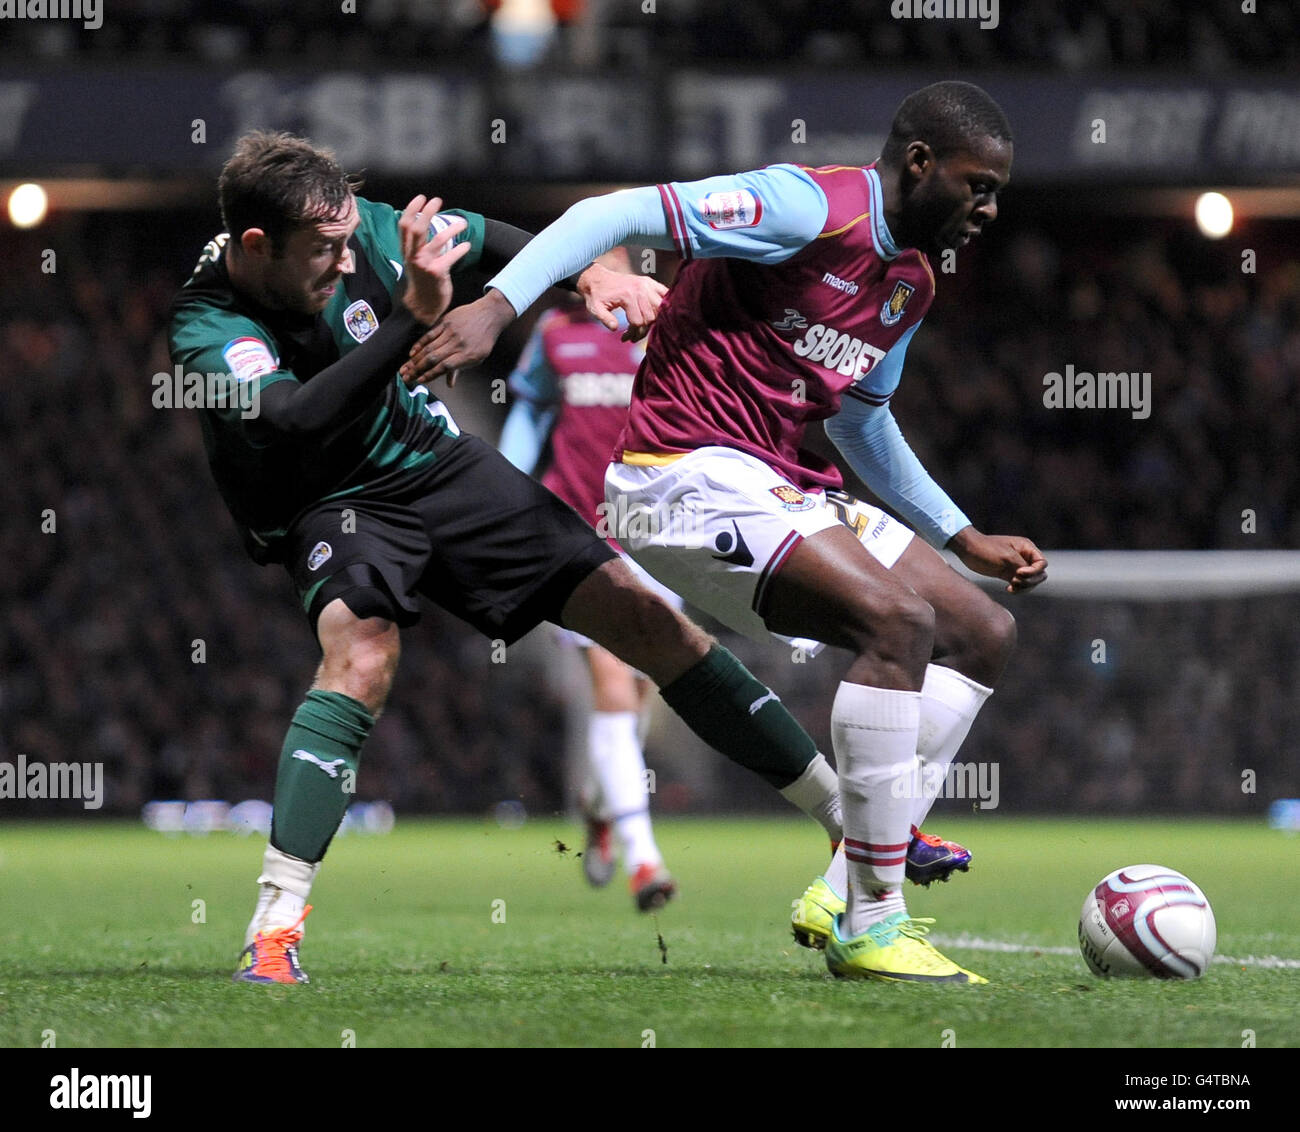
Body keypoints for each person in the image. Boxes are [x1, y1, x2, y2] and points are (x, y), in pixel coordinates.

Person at [400, 81, 1048, 983]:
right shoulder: (807, 205)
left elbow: (863, 421)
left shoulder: (912, 281)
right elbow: (615, 212)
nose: (987, 210)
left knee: (984, 633)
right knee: (897, 626)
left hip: (779, 479)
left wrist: (958, 533)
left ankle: (844, 883)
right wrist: (497, 306)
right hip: (679, 475)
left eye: (997, 194)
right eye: (978, 186)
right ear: (919, 164)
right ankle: (874, 920)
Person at [169, 131, 851, 984]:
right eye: (326, 251)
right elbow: (296, 421)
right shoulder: (207, 325)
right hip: (326, 501)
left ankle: (850, 823)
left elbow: (484, 232)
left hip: (433, 460)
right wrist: (415, 317)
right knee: (362, 653)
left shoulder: (363, 228)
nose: (347, 264)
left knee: (646, 620)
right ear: (257, 246)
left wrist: (594, 276)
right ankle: (274, 928)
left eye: (351, 241)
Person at [498, 247, 680, 911]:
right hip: (576, 534)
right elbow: (530, 414)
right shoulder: (554, 335)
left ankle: (599, 808)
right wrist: (507, 495)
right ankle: (645, 860)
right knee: (611, 685)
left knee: (637, 697)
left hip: (657, 535)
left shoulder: (663, 326)